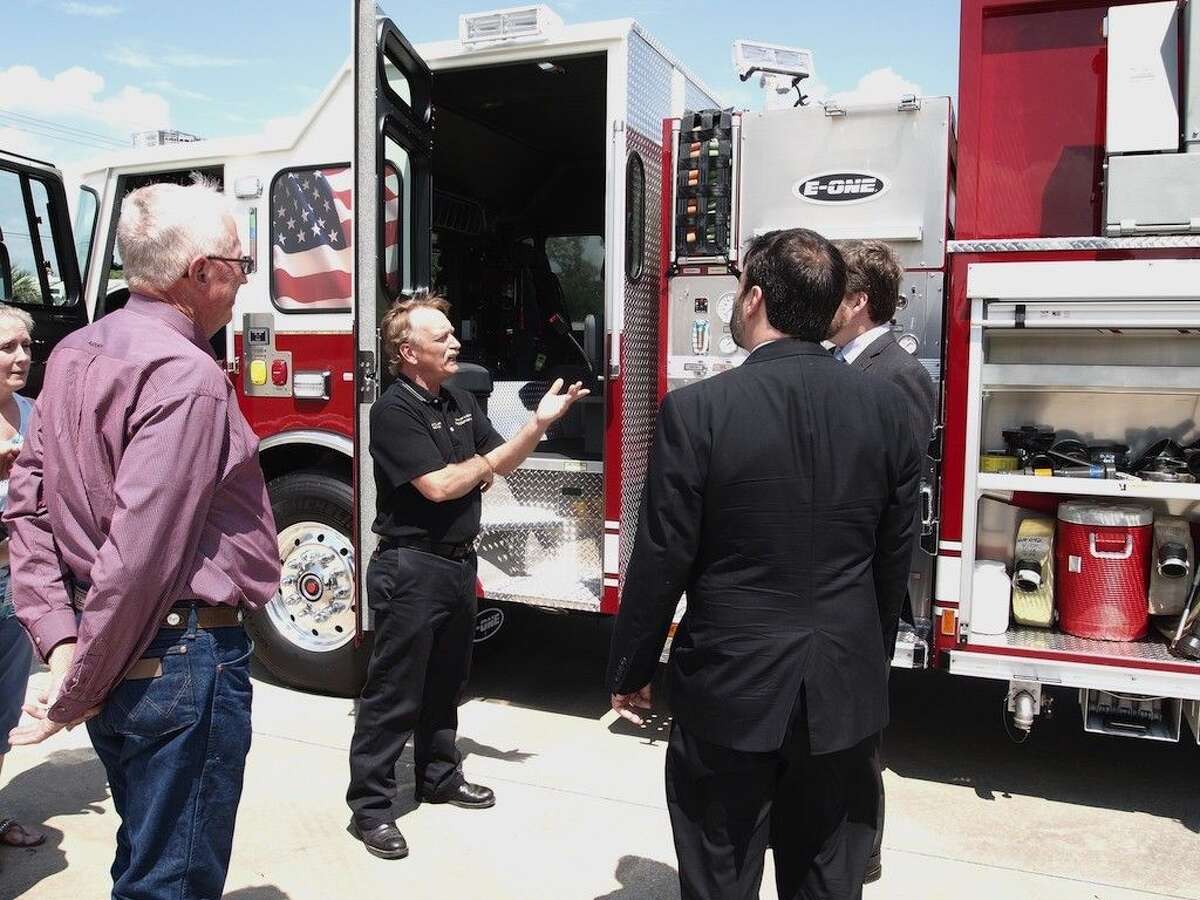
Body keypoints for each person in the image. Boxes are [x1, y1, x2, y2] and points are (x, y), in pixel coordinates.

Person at [606, 228, 921, 900]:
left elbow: (664, 555)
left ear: (752, 298)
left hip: (729, 691)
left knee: (720, 876)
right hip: (843, 690)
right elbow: (895, 558)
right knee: (827, 881)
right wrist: (870, 657)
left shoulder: (698, 411)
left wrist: (632, 670)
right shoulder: (890, 409)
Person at [4, 180, 281, 898]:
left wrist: (64, 642)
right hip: (176, 657)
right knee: (170, 878)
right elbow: (141, 559)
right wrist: (78, 687)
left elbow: (26, 509)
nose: (243, 281)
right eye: (240, 264)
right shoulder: (186, 375)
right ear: (198, 274)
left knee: (147, 854)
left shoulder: (71, 353)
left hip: (122, 651)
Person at [346, 292, 587, 860]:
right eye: (442, 337)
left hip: (457, 563)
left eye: (453, 334)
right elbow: (438, 486)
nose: (456, 343)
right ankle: (371, 809)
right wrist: (478, 470)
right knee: (394, 693)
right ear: (408, 351)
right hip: (411, 566)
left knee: (448, 682)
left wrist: (537, 425)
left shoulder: (454, 398)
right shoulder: (392, 411)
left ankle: (437, 775)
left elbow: (501, 460)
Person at [828, 239, 938, 885]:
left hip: (862, 592)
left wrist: (871, 612)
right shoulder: (846, 365)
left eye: (833, 291)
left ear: (858, 301)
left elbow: (889, 508)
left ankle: (861, 856)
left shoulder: (896, 374)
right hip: (839, 592)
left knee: (857, 735)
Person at [0, 305, 43, 860]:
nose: (20, 357)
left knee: (5, 708)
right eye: (7, 347)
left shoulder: (35, 414)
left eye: (26, 346)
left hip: (17, 583)